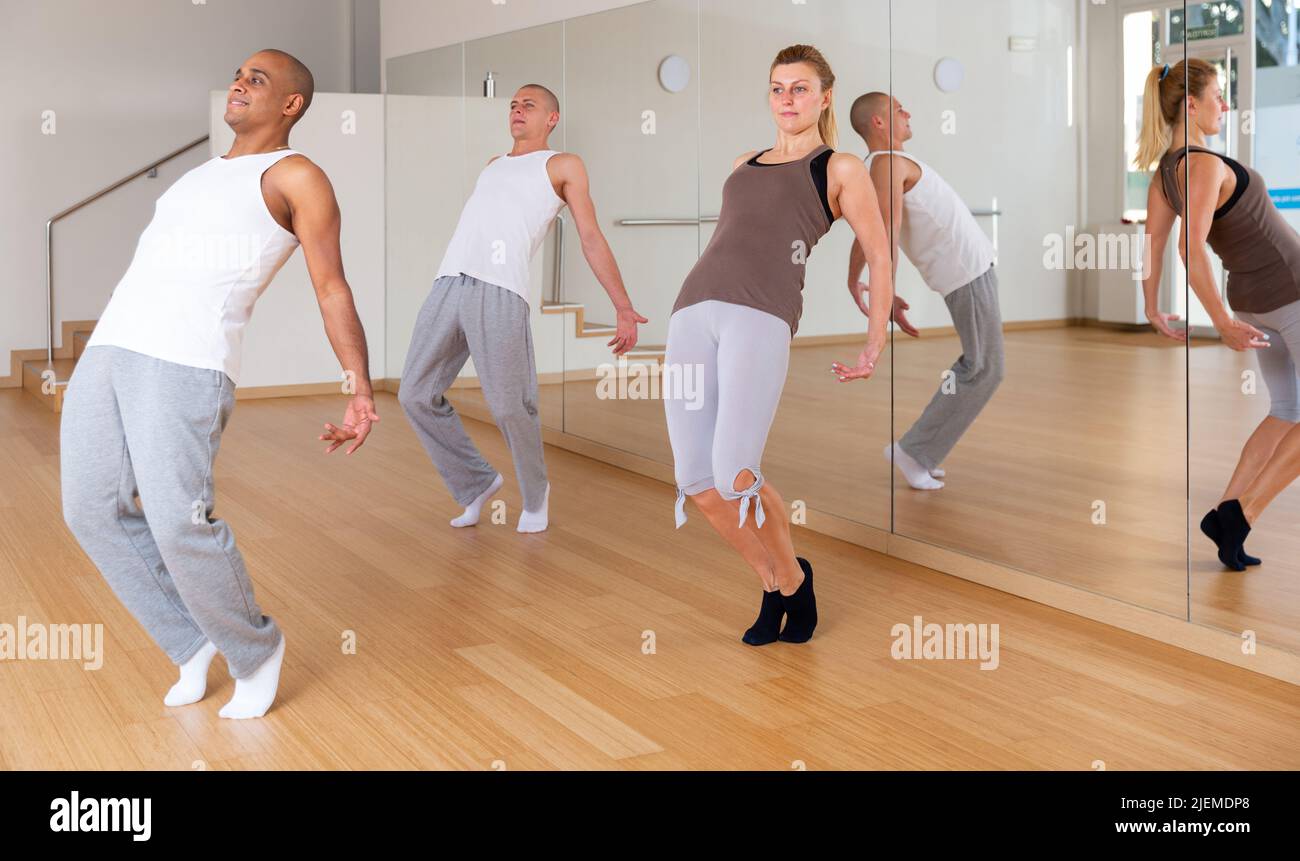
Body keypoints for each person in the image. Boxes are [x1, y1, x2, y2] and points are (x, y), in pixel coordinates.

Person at [60, 50, 379, 719]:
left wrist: (359, 386)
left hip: (186, 359)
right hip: (113, 345)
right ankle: (188, 639)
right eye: (239, 73)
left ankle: (255, 649)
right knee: (89, 507)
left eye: (257, 79)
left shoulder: (295, 175)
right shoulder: (202, 174)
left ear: (291, 104)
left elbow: (331, 288)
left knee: (179, 520)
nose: (240, 82)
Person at [663, 45, 894, 646]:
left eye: (798, 89)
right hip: (691, 312)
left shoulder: (839, 168)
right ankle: (779, 581)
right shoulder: (743, 161)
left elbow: (878, 252)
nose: (786, 100)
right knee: (696, 480)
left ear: (823, 98)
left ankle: (791, 581)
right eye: (777, 89)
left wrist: (875, 340)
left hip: (760, 317)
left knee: (735, 473)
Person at [398, 84, 647, 534]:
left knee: (510, 405)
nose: (517, 110)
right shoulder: (493, 166)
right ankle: (475, 483)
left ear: (551, 118)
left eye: (528, 105)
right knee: (414, 393)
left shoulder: (563, 165)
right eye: (513, 105)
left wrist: (623, 306)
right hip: (449, 281)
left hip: (500, 290)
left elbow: (590, 236)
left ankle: (535, 495)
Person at [1137, 59, 1300, 571]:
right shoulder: (1201, 162)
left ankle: (1224, 514)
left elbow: (1153, 246)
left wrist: (1150, 306)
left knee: (1287, 410)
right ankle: (1242, 515)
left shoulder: (1166, 173)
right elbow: (1189, 246)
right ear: (1191, 104)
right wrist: (1221, 322)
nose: (1224, 106)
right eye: (1218, 96)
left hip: (1257, 299)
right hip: (1290, 293)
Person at [849, 93, 1004, 490]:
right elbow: (885, 234)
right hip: (965, 274)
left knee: (978, 365)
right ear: (879, 122)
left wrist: (854, 278)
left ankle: (921, 450)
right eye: (899, 109)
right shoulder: (886, 164)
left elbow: (872, 229)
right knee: (984, 367)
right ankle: (914, 451)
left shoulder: (886, 165)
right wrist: (883, 293)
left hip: (970, 271)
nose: (908, 113)